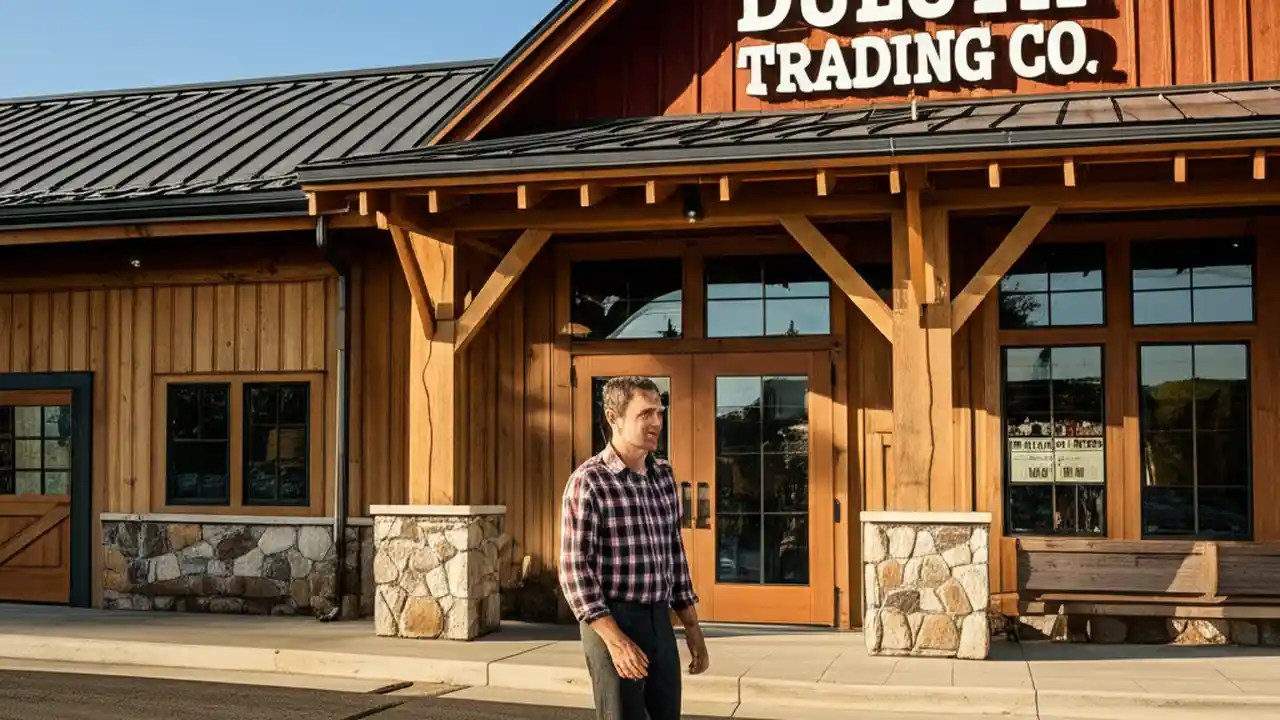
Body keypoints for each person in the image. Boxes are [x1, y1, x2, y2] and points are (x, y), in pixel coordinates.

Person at [559, 376, 709, 720]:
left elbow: (674, 555)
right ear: (613, 417)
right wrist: (615, 640)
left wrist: (692, 627)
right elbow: (575, 571)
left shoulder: (664, 476)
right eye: (645, 414)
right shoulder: (589, 481)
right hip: (612, 619)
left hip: (659, 619)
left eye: (659, 412)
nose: (657, 422)